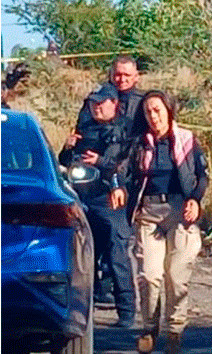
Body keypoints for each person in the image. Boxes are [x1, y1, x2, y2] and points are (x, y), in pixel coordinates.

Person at [110, 90, 209, 354]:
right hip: (149, 213)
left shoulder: (187, 140)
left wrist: (195, 200)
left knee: (176, 278)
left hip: (180, 212)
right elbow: (120, 171)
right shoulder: (139, 143)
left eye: (157, 110)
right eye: (148, 112)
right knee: (150, 276)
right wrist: (118, 188)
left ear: (168, 110)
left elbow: (202, 175)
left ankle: (175, 331)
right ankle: (149, 329)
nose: (153, 116)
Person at [58, 83, 137, 328]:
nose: (96, 108)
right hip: (83, 196)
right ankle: (85, 308)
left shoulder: (123, 129)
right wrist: (68, 147)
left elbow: (123, 163)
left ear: (114, 104)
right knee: (83, 254)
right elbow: (65, 161)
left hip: (109, 197)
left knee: (117, 253)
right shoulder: (85, 128)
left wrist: (100, 161)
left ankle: (126, 311)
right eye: (93, 103)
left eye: (101, 103)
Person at [77, 55, 146, 137]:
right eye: (118, 75)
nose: (122, 79)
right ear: (111, 75)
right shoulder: (96, 98)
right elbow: (82, 129)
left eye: (127, 75)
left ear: (136, 77)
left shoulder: (143, 101)